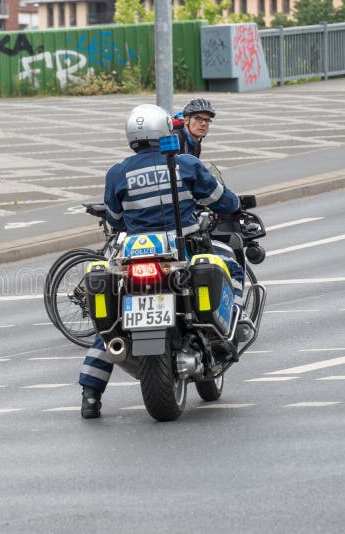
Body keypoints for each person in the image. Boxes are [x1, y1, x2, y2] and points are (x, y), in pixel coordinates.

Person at [79, 103, 243, 419]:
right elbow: (221, 199)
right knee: (229, 264)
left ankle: (90, 394)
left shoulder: (117, 172)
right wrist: (235, 207)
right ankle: (229, 329)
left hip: (135, 257)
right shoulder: (183, 164)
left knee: (115, 323)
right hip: (184, 252)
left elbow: (115, 218)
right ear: (166, 130)